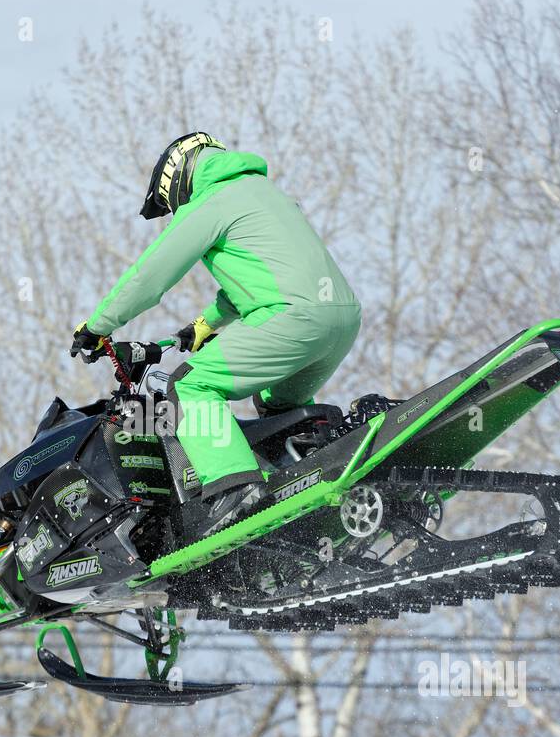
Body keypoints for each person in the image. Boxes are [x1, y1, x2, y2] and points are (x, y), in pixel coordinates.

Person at [70, 132, 361, 535]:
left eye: (172, 206)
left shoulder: (212, 201)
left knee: (190, 386)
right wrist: (205, 325)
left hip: (294, 320)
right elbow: (260, 276)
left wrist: (97, 327)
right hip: (340, 322)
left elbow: (151, 276)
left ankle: (236, 491)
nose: (177, 213)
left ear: (178, 174)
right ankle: (311, 474)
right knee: (280, 408)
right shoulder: (262, 192)